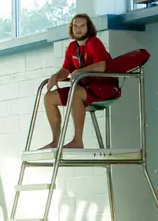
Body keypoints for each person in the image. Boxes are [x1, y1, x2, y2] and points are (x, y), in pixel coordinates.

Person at [41, 14, 118, 150]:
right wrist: (56, 75)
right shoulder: (72, 47)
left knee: (74, 93)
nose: (78, 29)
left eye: (82, 26)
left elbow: (102, 66)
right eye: (75, 26)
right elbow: (66, 69)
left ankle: (77, 141)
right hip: (84, 88)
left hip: (104, 88)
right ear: (71, 28)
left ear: (88, 28)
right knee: (49, 97)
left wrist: (81, 71)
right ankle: (55, 141)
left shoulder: (94, 42)